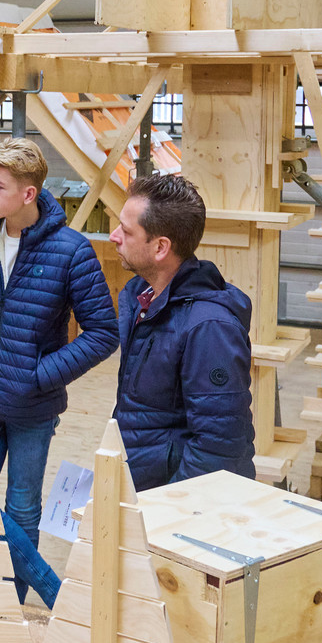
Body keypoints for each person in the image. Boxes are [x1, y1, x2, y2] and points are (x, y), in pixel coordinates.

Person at [0, 138, 117, 608]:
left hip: (33, 408)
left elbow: (103, 332)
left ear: (28, 194)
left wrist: (41, 376)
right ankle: (50, 590)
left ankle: (11, 607)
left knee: (21, 507)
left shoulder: (71, 251)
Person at [110, 173, 255, 491]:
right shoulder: (142, 299)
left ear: (161, 247)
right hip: (144, 486)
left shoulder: (209, 328)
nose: (113, 236)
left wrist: (167, 507)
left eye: (126, 230)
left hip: (176, 502)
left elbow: (219, 448)